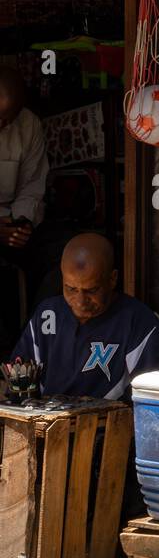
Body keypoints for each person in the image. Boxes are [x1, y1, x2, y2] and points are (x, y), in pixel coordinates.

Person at [9, 233, 159, 399]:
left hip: (108, 423)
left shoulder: (136, 320)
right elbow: (19, 382)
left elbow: (155, 395)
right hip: (47, 421)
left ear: (112, 279)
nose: (80, 302)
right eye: (71, 289)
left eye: (91, 290)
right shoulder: (47, 314)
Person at [0, 67, 50, 348]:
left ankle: (32, 345)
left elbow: (33, 184)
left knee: (59, 256)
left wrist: (21, 223)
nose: (2, 124)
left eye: (8, 118)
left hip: (12, 222)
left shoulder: (28, 125)